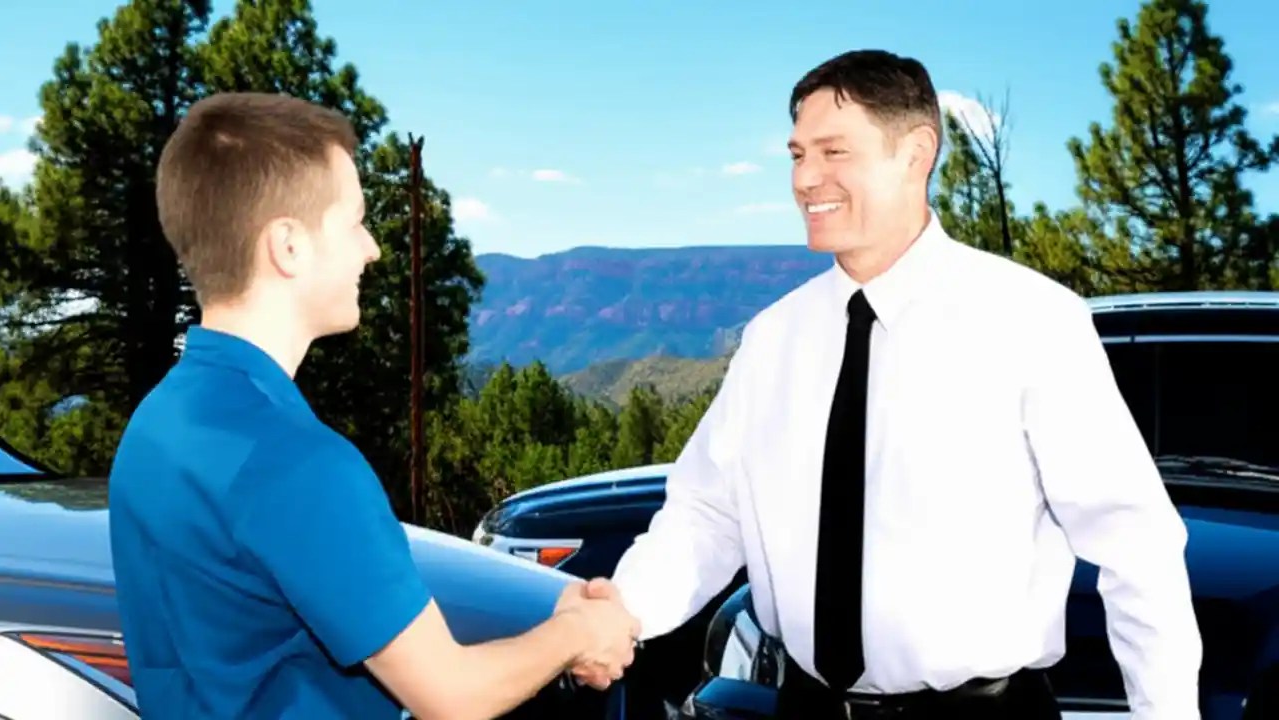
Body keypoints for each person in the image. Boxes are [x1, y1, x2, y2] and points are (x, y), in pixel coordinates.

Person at [586, 49, 1203, 719]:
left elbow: (1137, 548)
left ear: (916, 153)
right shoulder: (773, 340)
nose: (805, 179)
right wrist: (620, 616)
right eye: (797, 155)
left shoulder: (1032, 321)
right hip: (803, 708)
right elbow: (707, 515)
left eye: (833, 151)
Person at [107, 91, 639, 720]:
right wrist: (580, 634)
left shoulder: (155, 425)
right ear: (289, 247)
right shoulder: (298, 463)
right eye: (355, 221)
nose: (372, 249)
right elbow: (453, 696)